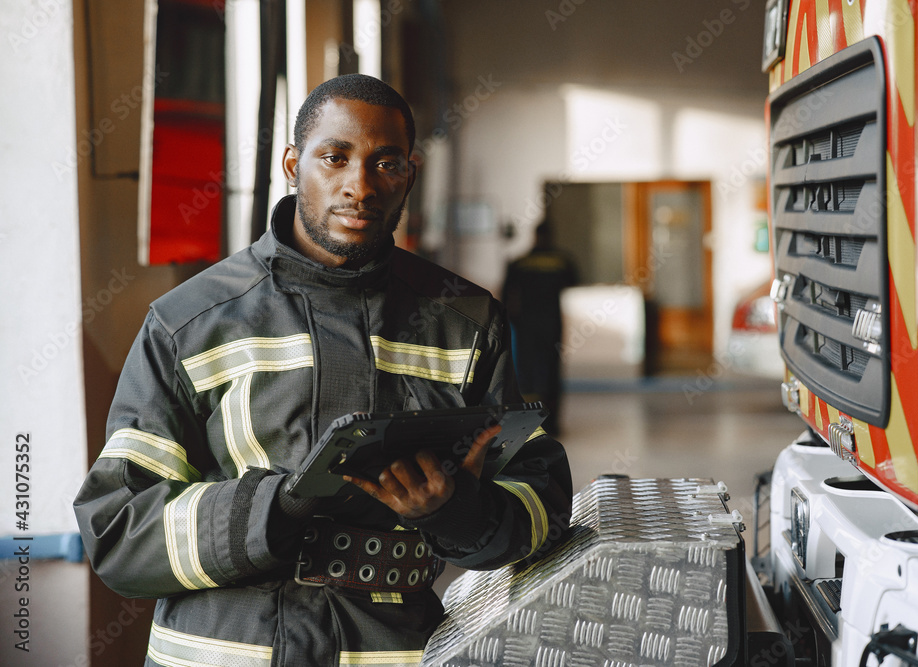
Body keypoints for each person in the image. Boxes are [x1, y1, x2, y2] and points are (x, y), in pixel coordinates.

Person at [74, 74, 572, 666]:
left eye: (386, 164)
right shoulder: (190, 322)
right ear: (292, 164)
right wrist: (274, 509)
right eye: (334, 158)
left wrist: (455, 511)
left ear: (409, 175)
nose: (359, 186)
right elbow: (117, 529)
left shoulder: (462, 319)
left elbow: (543, 501)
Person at [502, 220, 577, 436]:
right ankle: (553, 424)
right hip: (552, 325)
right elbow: (573, 285)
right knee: (551, 373)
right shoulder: (562, 262)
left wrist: (513, 320)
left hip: (526, 327)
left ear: (534, 236)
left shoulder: (520, 262)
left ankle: (532, 425)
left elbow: (506, 297)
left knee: (527, 375)